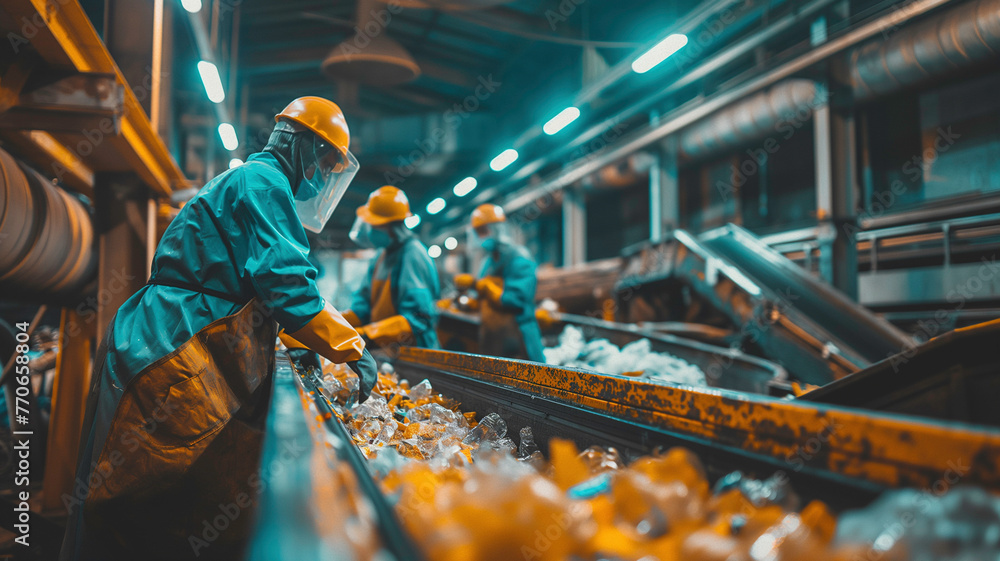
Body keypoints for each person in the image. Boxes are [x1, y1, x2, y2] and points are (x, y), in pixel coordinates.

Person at [60, 96, 378, 561]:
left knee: (152, 493)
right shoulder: (265, 182)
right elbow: (284, 282)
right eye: (325, 162)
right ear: (302, 145)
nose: (323, 177)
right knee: (131, 492)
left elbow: (253, 286)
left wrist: (298, 338)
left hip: (178, 335)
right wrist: (350, 346)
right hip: (171, 344)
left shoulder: (254, 181)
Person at [343, 185, 440, 353]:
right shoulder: (380, 256)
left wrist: (367, 335)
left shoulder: (413, 254)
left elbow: (418, 319)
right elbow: (363, 305)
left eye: (373, 225)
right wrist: (334, 323)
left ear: (390, 226)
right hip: (385, 351)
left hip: (415, 354)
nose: (369, 231)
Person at [470, 204, 545, 362]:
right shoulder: (488, 262)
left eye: (483, 230)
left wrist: (487, 288)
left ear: (497, 229)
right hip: (494, 339)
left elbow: (517, 300)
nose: (481, 236)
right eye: (478, 232)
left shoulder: (519, 257)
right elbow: (481, 298)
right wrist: (472, 297)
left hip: (520, 337)